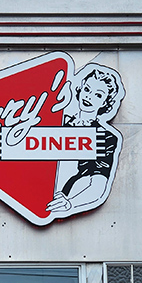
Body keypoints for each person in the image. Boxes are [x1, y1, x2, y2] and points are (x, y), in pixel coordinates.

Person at [46, 63, 125, 217]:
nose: (89, 96)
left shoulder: (106, 137)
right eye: (87, 89)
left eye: (98, 95)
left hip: (67, 195)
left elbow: (98, 184)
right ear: (80, 88)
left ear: (105, 102)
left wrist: (70, 203)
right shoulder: (58, 124)